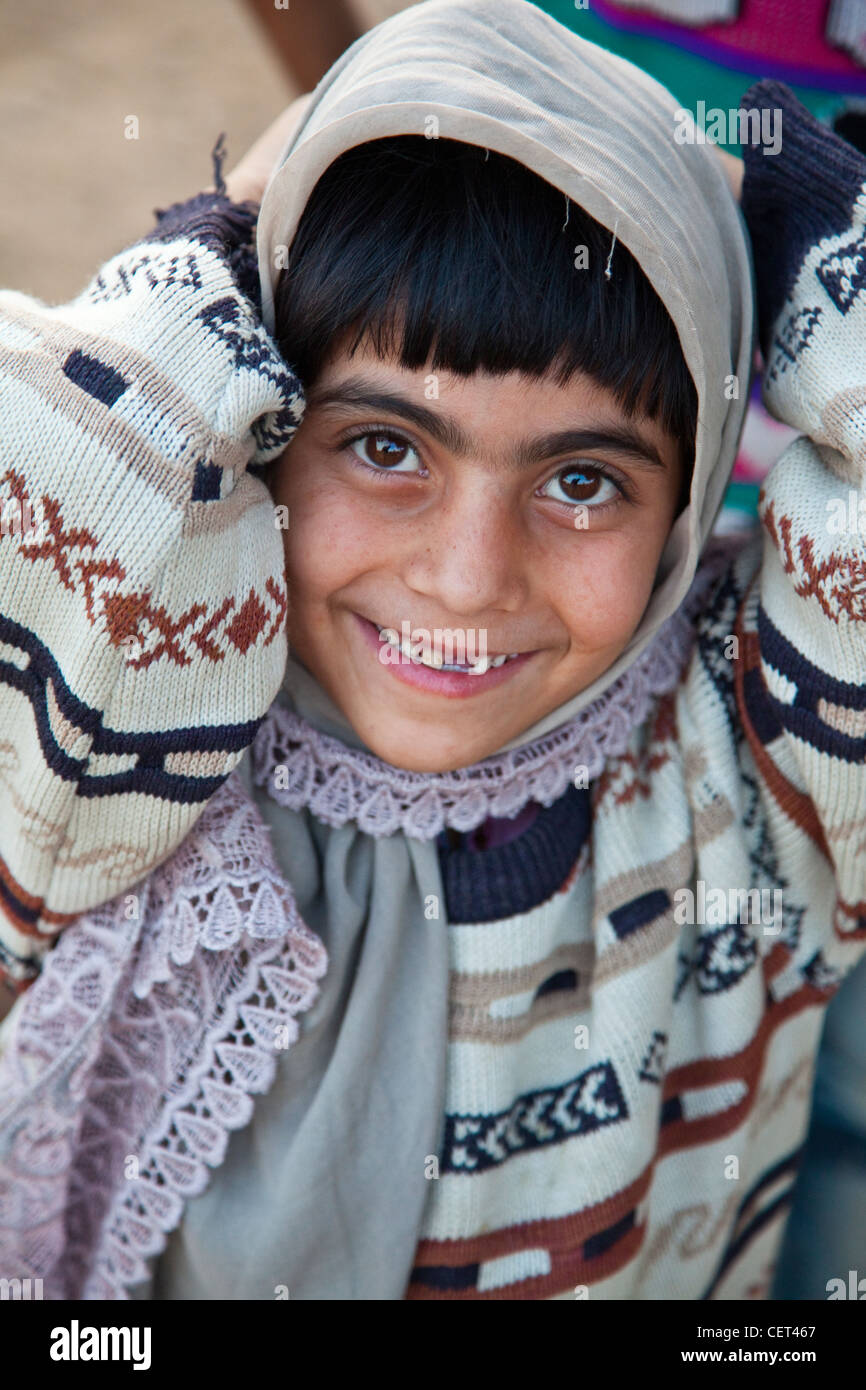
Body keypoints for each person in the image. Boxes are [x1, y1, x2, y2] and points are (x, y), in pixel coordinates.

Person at [0, 0, 864, 1301]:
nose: (465, 576)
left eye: (581, 481)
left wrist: (765, 190)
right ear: (261, 424)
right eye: (385, 447)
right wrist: (236, 225)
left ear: (685, 506)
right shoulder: (116, 731)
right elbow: (49, 447)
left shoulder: (748, 777)